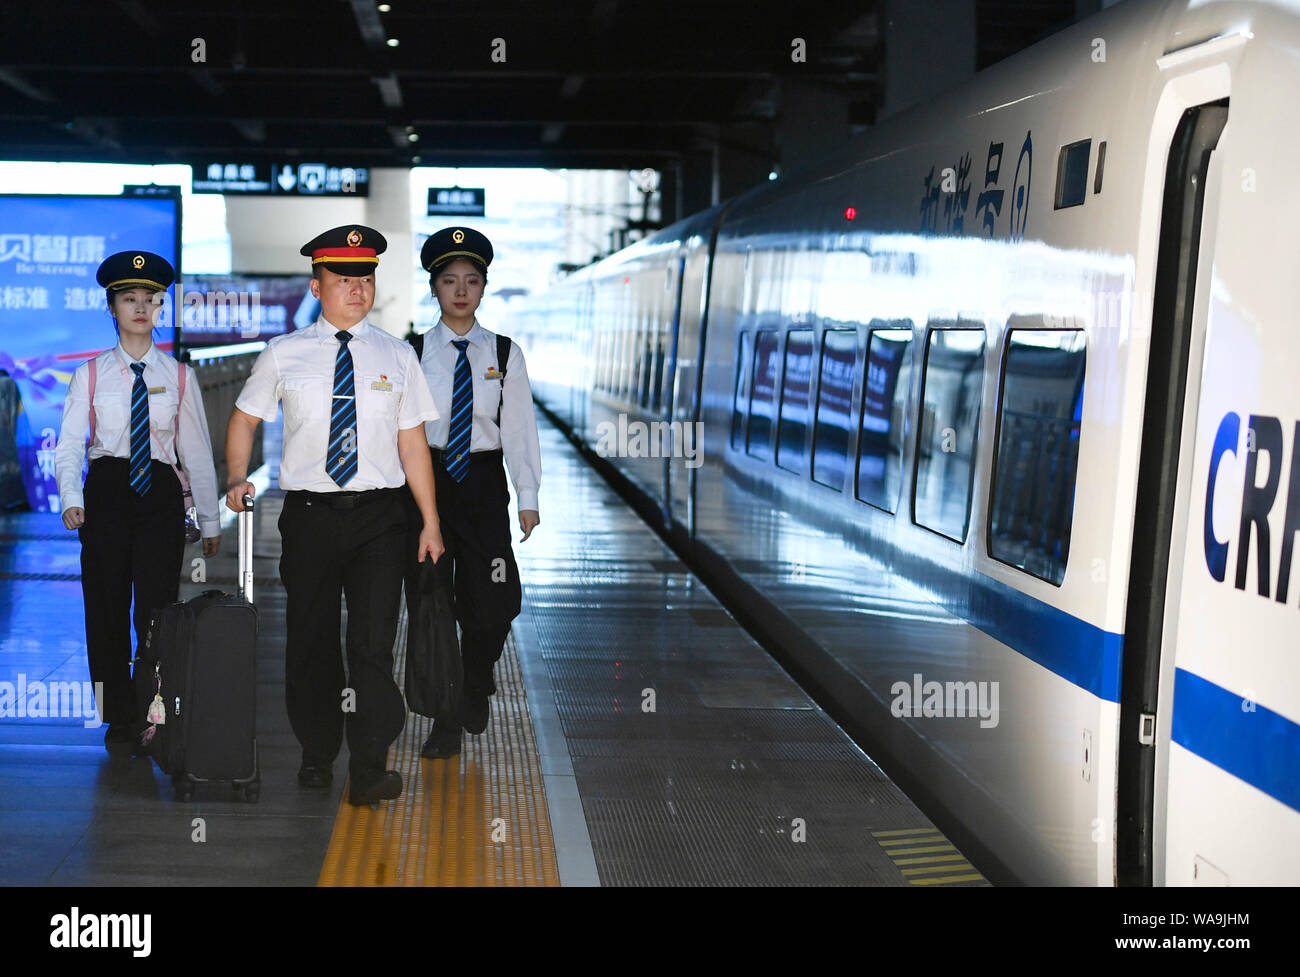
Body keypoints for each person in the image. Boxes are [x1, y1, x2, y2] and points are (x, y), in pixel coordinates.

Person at [224, 225, 444, 806]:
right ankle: (317, 752)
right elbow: (245, 417)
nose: (357, 288)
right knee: (311, 639)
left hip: (381, 518)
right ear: (316, 286)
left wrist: (430, 520)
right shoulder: (284, 353)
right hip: (310, 517)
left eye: (365, 278)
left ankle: (369, 765)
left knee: (373, 644)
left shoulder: (397, 355)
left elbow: (413, 442)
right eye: (343, 278)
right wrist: (237, 478)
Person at [55, 251, 221, 750]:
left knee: (156, 610)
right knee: (104, 610)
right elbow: (69, 445)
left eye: (151, 299)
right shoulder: (90, 375)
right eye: (130, 299)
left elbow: (196, 451)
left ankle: (153, 710)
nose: (141, 307)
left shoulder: (179, 375)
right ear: (112, 307)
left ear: (161, 307)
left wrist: (209, 520)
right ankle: (115, 717)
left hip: (159, 498)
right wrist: (71, 497)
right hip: (106, 493)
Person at [407, 226, 541, 760]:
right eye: (449, 281)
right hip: (428, 483)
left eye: (472, 280)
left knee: (496, 602)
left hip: (484, 486)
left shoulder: (505, 353)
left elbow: (520, 428)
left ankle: (477, 680)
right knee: (436, 607)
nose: (460, 291)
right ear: (434, 288)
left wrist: (527, 496)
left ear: (484, 287)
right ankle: (446, 719)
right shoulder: (413, 353)